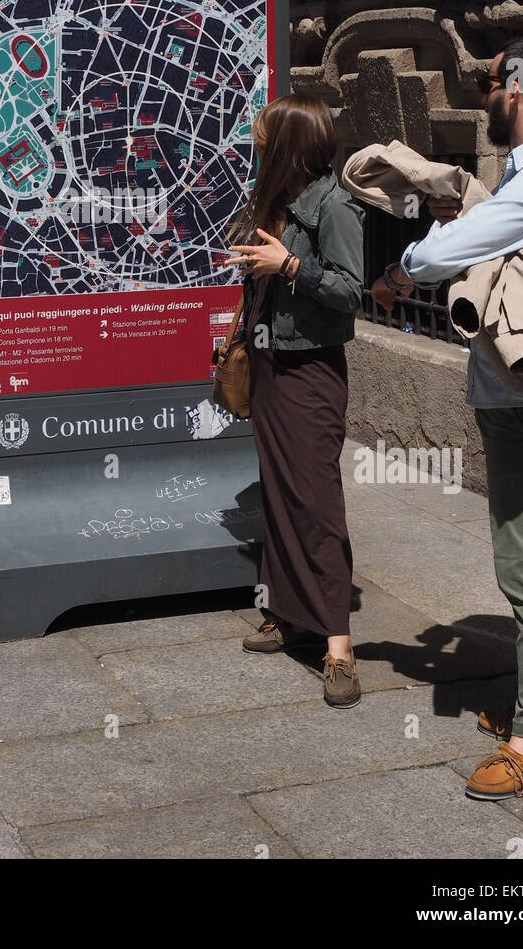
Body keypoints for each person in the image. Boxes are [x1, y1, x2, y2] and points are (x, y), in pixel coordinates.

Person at [371, 35, 523, 800]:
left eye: (488, 80)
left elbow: (452, 254)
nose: (480, 92)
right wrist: (459, 204)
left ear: (519, 89)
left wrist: (398, 272)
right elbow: (487, 235)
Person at [226, 96, 366, 708]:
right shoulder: (277, 199)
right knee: (277, 494)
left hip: (310, 369)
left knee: (316, 503)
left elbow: (349, 290)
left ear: (290, 142)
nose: (256, 139)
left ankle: (338, 646)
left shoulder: (335, 206)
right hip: (269, 363)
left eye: (265, 132)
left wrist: (288, 266)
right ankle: (287, 613)